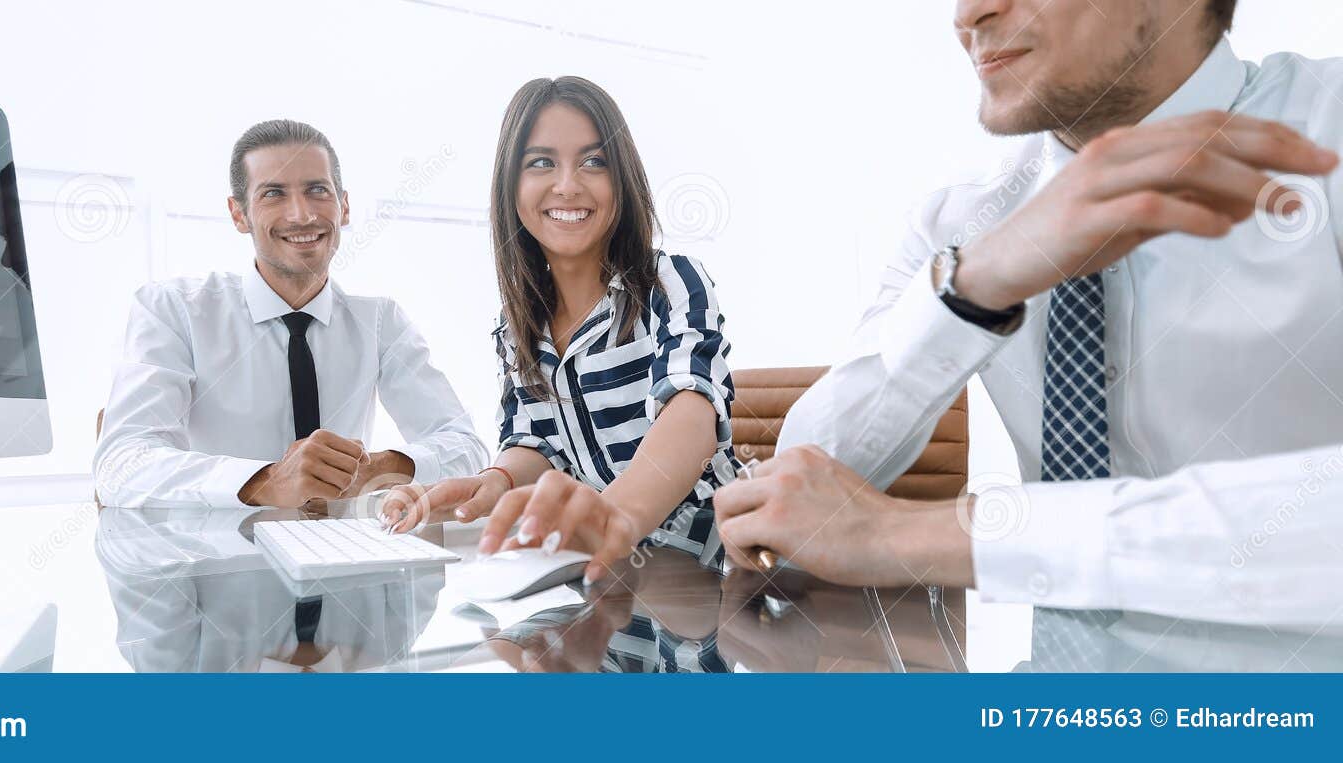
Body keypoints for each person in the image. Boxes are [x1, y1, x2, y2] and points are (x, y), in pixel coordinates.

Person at [715, 0, 1343, 633]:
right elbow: (795, 498)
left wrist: (913, 537)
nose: (968, 14)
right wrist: (973, 289)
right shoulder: (958, 226)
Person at [380, 77, 742, 585]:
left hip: (710, 572)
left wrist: (611, 518)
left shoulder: (670, 282)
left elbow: (691, 410)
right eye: (541, 162)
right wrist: (492, 482)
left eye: (594, 162)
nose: (568, 184)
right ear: (512, 186)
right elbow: (536, 444)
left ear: (624, 180)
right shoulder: (516, 326)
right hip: (605, 582)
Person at [94, 119, 486, 510]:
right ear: (239, 214)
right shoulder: (174, 310)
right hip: (215, 561)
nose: (301, 215)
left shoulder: (380, 322)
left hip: (340, 556)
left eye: (317, 191)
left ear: (344, 206)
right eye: (273, 194)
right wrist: (265, 482)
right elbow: (122, 465)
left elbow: (465, 446)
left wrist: (379, 469)